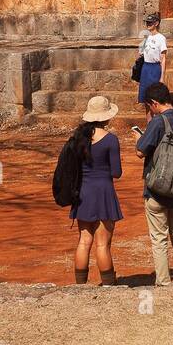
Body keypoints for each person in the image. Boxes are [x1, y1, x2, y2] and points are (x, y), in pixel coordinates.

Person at [134, 82, 173, 286]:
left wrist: (138, 138)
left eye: (149, 106)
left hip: (156, 191)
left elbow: (140, 151)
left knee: (159, 239)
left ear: (154, 103)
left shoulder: (158, 122)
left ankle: (163, 281)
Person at [70, 95, 123, 286]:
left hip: (83, 193)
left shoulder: (78, 138)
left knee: (84, 240)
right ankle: (108, 284)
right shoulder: (111, 140)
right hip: (103, 192)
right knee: (103, 244)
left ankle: (80, 285)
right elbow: (116, 172)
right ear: (106, 117)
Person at [136, 12, 168, 118]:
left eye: (151, 22)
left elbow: (163, 58)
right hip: (146, 68)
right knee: (146, 99)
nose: (148, 24)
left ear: (156, 23)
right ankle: (149, 125)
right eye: (147, 22)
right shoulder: (147, 38)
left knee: (155, 98)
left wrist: (162, 77)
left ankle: (157, 124)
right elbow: (141, 54)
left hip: (155, 69)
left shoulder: (161, 38)